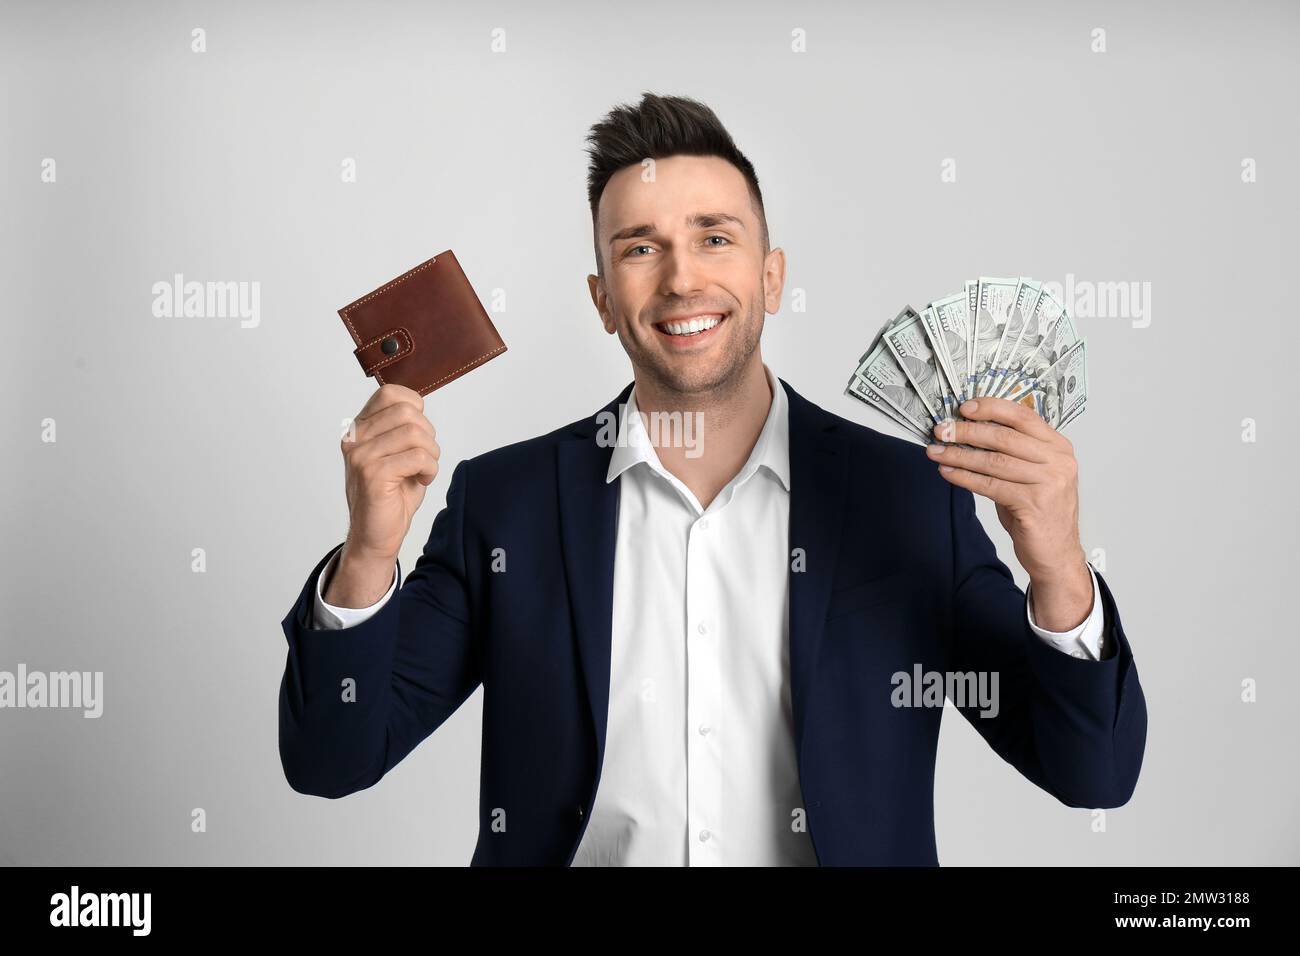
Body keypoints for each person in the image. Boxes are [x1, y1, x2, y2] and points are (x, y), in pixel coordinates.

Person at [277, 92, 1147, 866]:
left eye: (715, 238)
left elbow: (1093, 776)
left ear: (770, 277)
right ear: (603, 299)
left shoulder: (912, 497)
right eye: (640, 249)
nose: (683, 277)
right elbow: (331, 762)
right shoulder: (503, 506)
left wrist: (1060, 568)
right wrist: (368, 554)